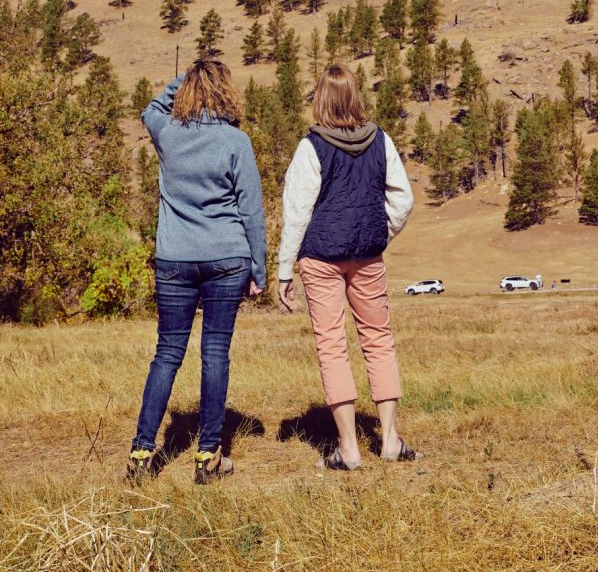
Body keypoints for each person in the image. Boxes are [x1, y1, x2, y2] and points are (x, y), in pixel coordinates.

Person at [127, 59, 266, 484]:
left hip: (174, 259)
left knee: (167, 353)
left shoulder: (167, 133)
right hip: (227, 257)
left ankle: (141, 453)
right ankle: (208, 456)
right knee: (214, 353)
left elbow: (151, 106)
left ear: (186, 91)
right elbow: (252, 210)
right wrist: (258, 268)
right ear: (226, 93)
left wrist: (184, 78)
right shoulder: (235, 141)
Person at [278, 64, 416, 469]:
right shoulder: (381, 141)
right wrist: (380, 231)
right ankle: (389, 441)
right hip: (368, 256)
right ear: (356, 97)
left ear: (320, 98)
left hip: (320, 257)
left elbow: (297, 212)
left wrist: (285, 269)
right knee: (379, 339)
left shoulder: (311, 146)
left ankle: (349, 449)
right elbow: (403, 200)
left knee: (332, 346)